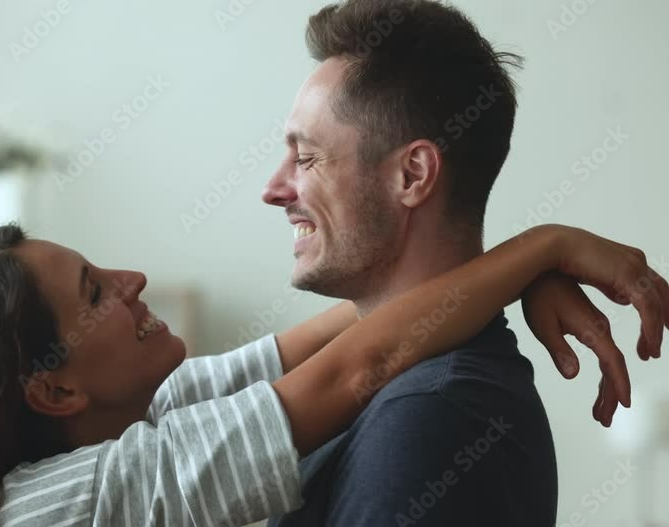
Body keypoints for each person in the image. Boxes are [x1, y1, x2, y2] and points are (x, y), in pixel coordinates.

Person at [0, 222, 667, 527]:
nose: (133, 279)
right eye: (96, 291)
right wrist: (548, 244)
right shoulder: (64, 503)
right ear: (56, 388)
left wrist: (522, 268)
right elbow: (357, 369)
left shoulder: (124, 422)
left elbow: (350, 331)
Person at [261, 1, 657, 525]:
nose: (273, 189)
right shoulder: (411, 396)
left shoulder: (432, 413)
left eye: (307, 157)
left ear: (412, 175)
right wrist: (527, 263)